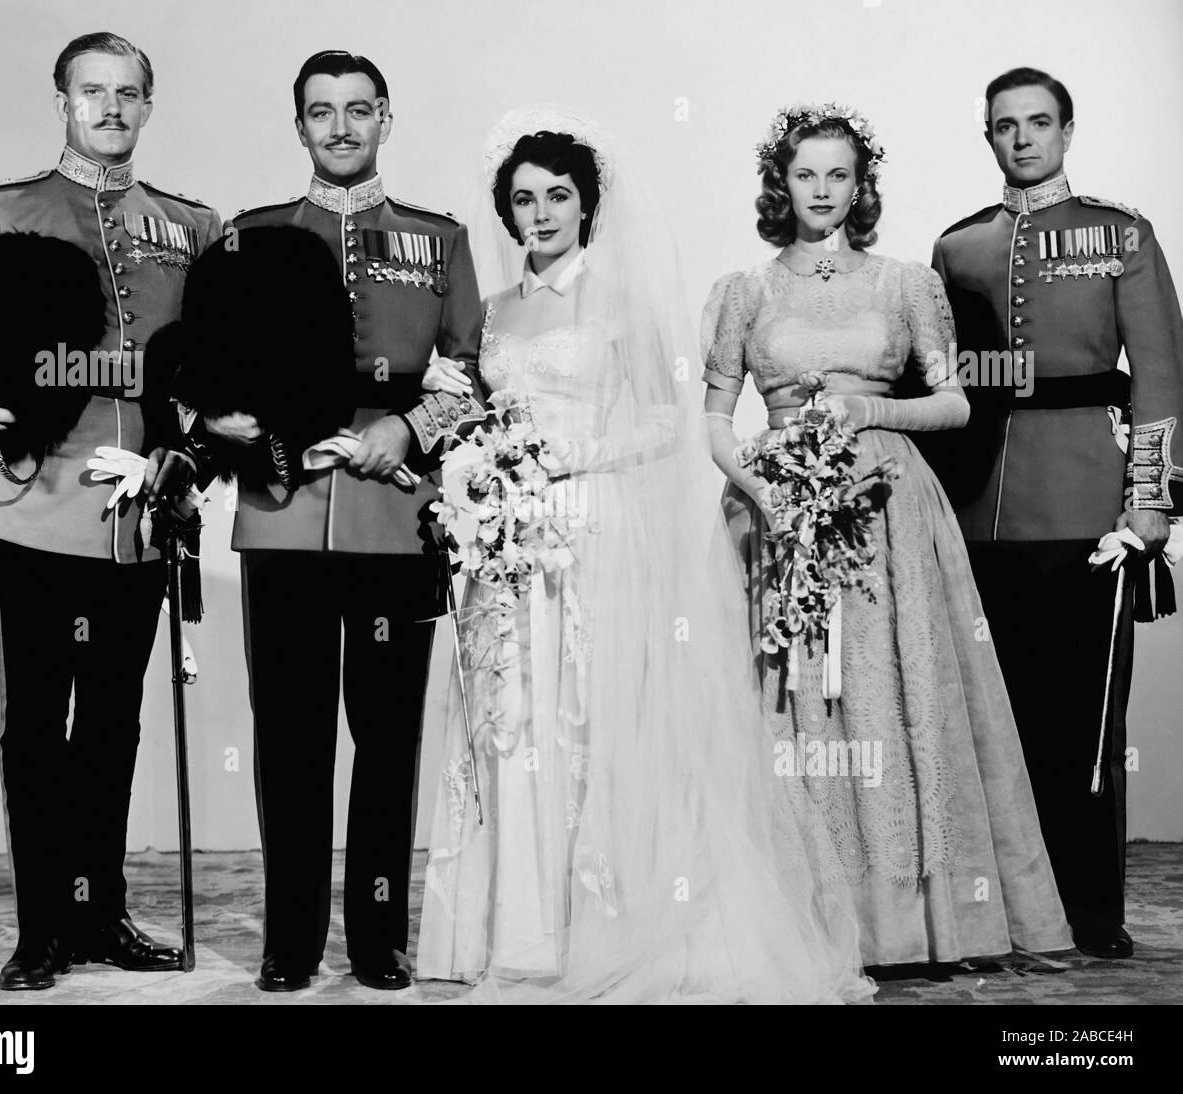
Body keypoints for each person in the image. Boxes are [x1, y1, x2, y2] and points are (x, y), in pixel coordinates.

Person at [415, 105, 872, 1003]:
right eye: (524, 199)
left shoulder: (621, 301)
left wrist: (569, 456)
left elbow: (668, 420)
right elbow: (472, 414)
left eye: (558, 196)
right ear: (505, 212)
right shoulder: (496, 314)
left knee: (594, 719)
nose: (541, 213)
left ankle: (609, 924)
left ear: (588, 204)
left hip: (596, 532)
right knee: (513, 722)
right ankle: (522, 930)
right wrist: (487, 471)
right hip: (508, 544)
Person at [701, 103, 1072, 969]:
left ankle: (912, 923)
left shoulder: (906, 282)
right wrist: (768, 494)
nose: (822, 191)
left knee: (894, 694)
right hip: (778, 512)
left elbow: (956, 401)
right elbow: (716, 421)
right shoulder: (743, 293)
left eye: (839, 175)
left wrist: (866, 410)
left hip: (890, 509)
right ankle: (804, 913)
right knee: (798, 705)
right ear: (779, 185)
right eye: (805, 175)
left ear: (860, 186)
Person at [0, 32, 221, 990]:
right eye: (94, 91)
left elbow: (210, 370)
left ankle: (99, 912)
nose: (112, 108)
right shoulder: (1, 210)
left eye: (129, 94)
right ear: (63, 101)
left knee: (114, 723)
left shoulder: (191, 225)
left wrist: (189, 457)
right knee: (40, 724)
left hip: (137, 516)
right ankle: (41, 928)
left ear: (148, 105)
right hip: (35, 502)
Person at [181, 50, 485, 993]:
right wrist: (223, 423)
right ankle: (290, 941)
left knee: (387, 737)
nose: (341, 128)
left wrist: (408, 424)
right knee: (292, 734)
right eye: (322, 112)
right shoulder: (249, 236)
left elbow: (473, 374)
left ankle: (380, 936)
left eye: (360, 110)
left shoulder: (440, 239)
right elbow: (202, 369)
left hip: (395, 519)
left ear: (387, 119)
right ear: (299, 125)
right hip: (282, 516)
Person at [914, 68, 1183, 959]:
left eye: (1038, 123)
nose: (1022, 139)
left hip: (1087, 507)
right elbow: (948, 381)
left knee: (1086, 729)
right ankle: (1010, 915)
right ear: (985, 137)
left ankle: (1091, 913)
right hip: (982, 509)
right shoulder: (959, 249)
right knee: (997, 722)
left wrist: (1149, 499)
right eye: (1004, 126)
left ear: (1068, 130)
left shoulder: (1122, 233)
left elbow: (1160, 379)